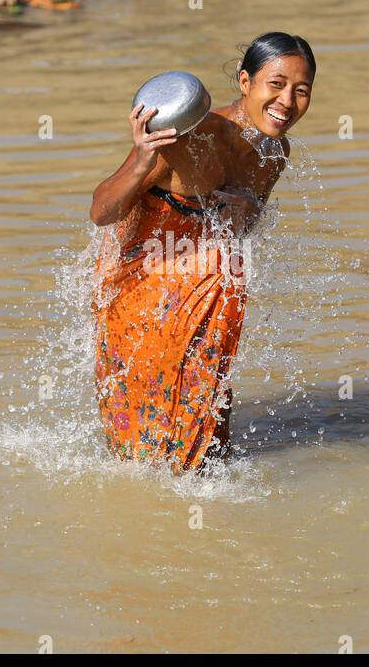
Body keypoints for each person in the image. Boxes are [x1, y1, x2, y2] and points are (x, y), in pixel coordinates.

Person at [88, 32, 316, 473]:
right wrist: (139, 161)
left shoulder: (275, 151)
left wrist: (249, 209)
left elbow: (243, 229)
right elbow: (101, 211)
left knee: (208, 444)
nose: (287, 101)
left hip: (211, 295)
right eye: (277, 84)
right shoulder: (187, 137)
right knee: (146, 450)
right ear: (245, 81)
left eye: (301, 90)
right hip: (145, 290)